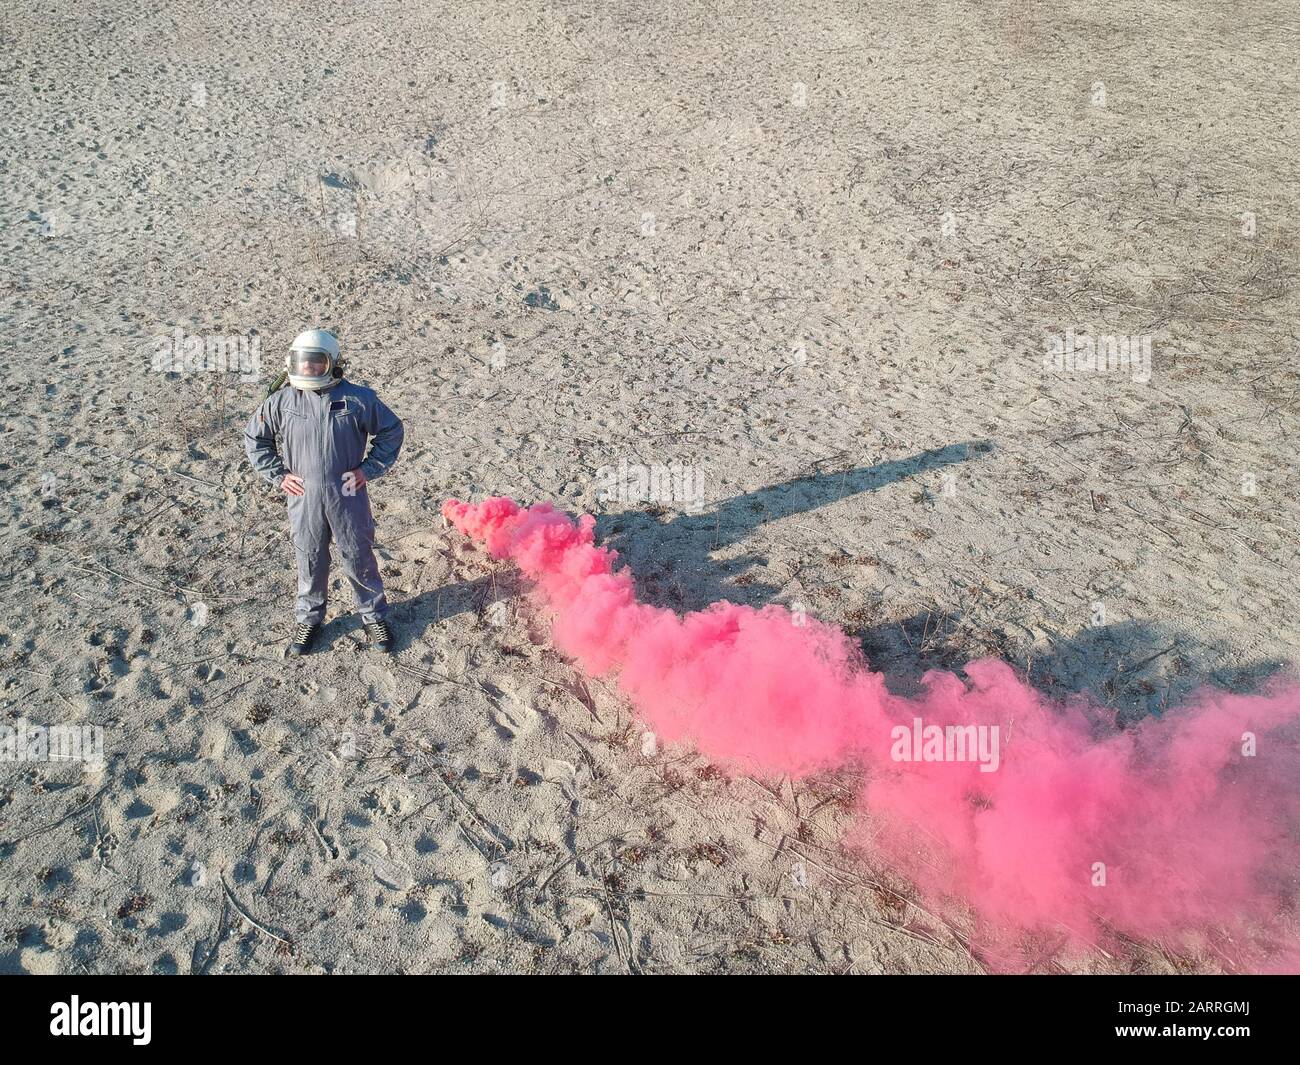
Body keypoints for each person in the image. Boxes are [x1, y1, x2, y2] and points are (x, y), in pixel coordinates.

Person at [244, 329, 404, 656]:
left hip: (346, 493)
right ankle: (310, 618)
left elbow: (391, 430)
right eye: (301, 362)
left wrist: (368, 469)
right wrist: (278, 474)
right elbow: (255, 439)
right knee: (310, 556)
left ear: (332, 364)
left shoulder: (359, 399)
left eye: (315, 363)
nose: (307, 369)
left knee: (358, 554)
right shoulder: (282, 401)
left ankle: (372, 615)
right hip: (303, 496)